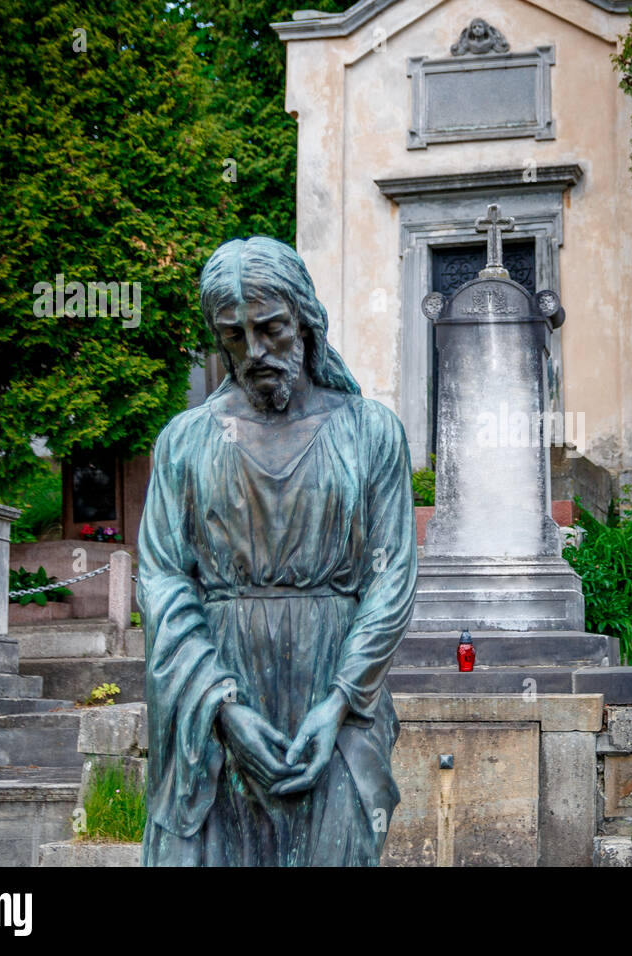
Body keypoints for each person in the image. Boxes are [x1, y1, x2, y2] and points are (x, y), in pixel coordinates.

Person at [137, 237, 418, 865]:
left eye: (272, 329)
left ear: (307, 319)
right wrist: (222, 708)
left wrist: (340, 702)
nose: (256, 352)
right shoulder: (184, 443)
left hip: (338, 691)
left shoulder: (371, 433)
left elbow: (392, 576)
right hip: (217, 691)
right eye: (234, 336)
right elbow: (162, 579)